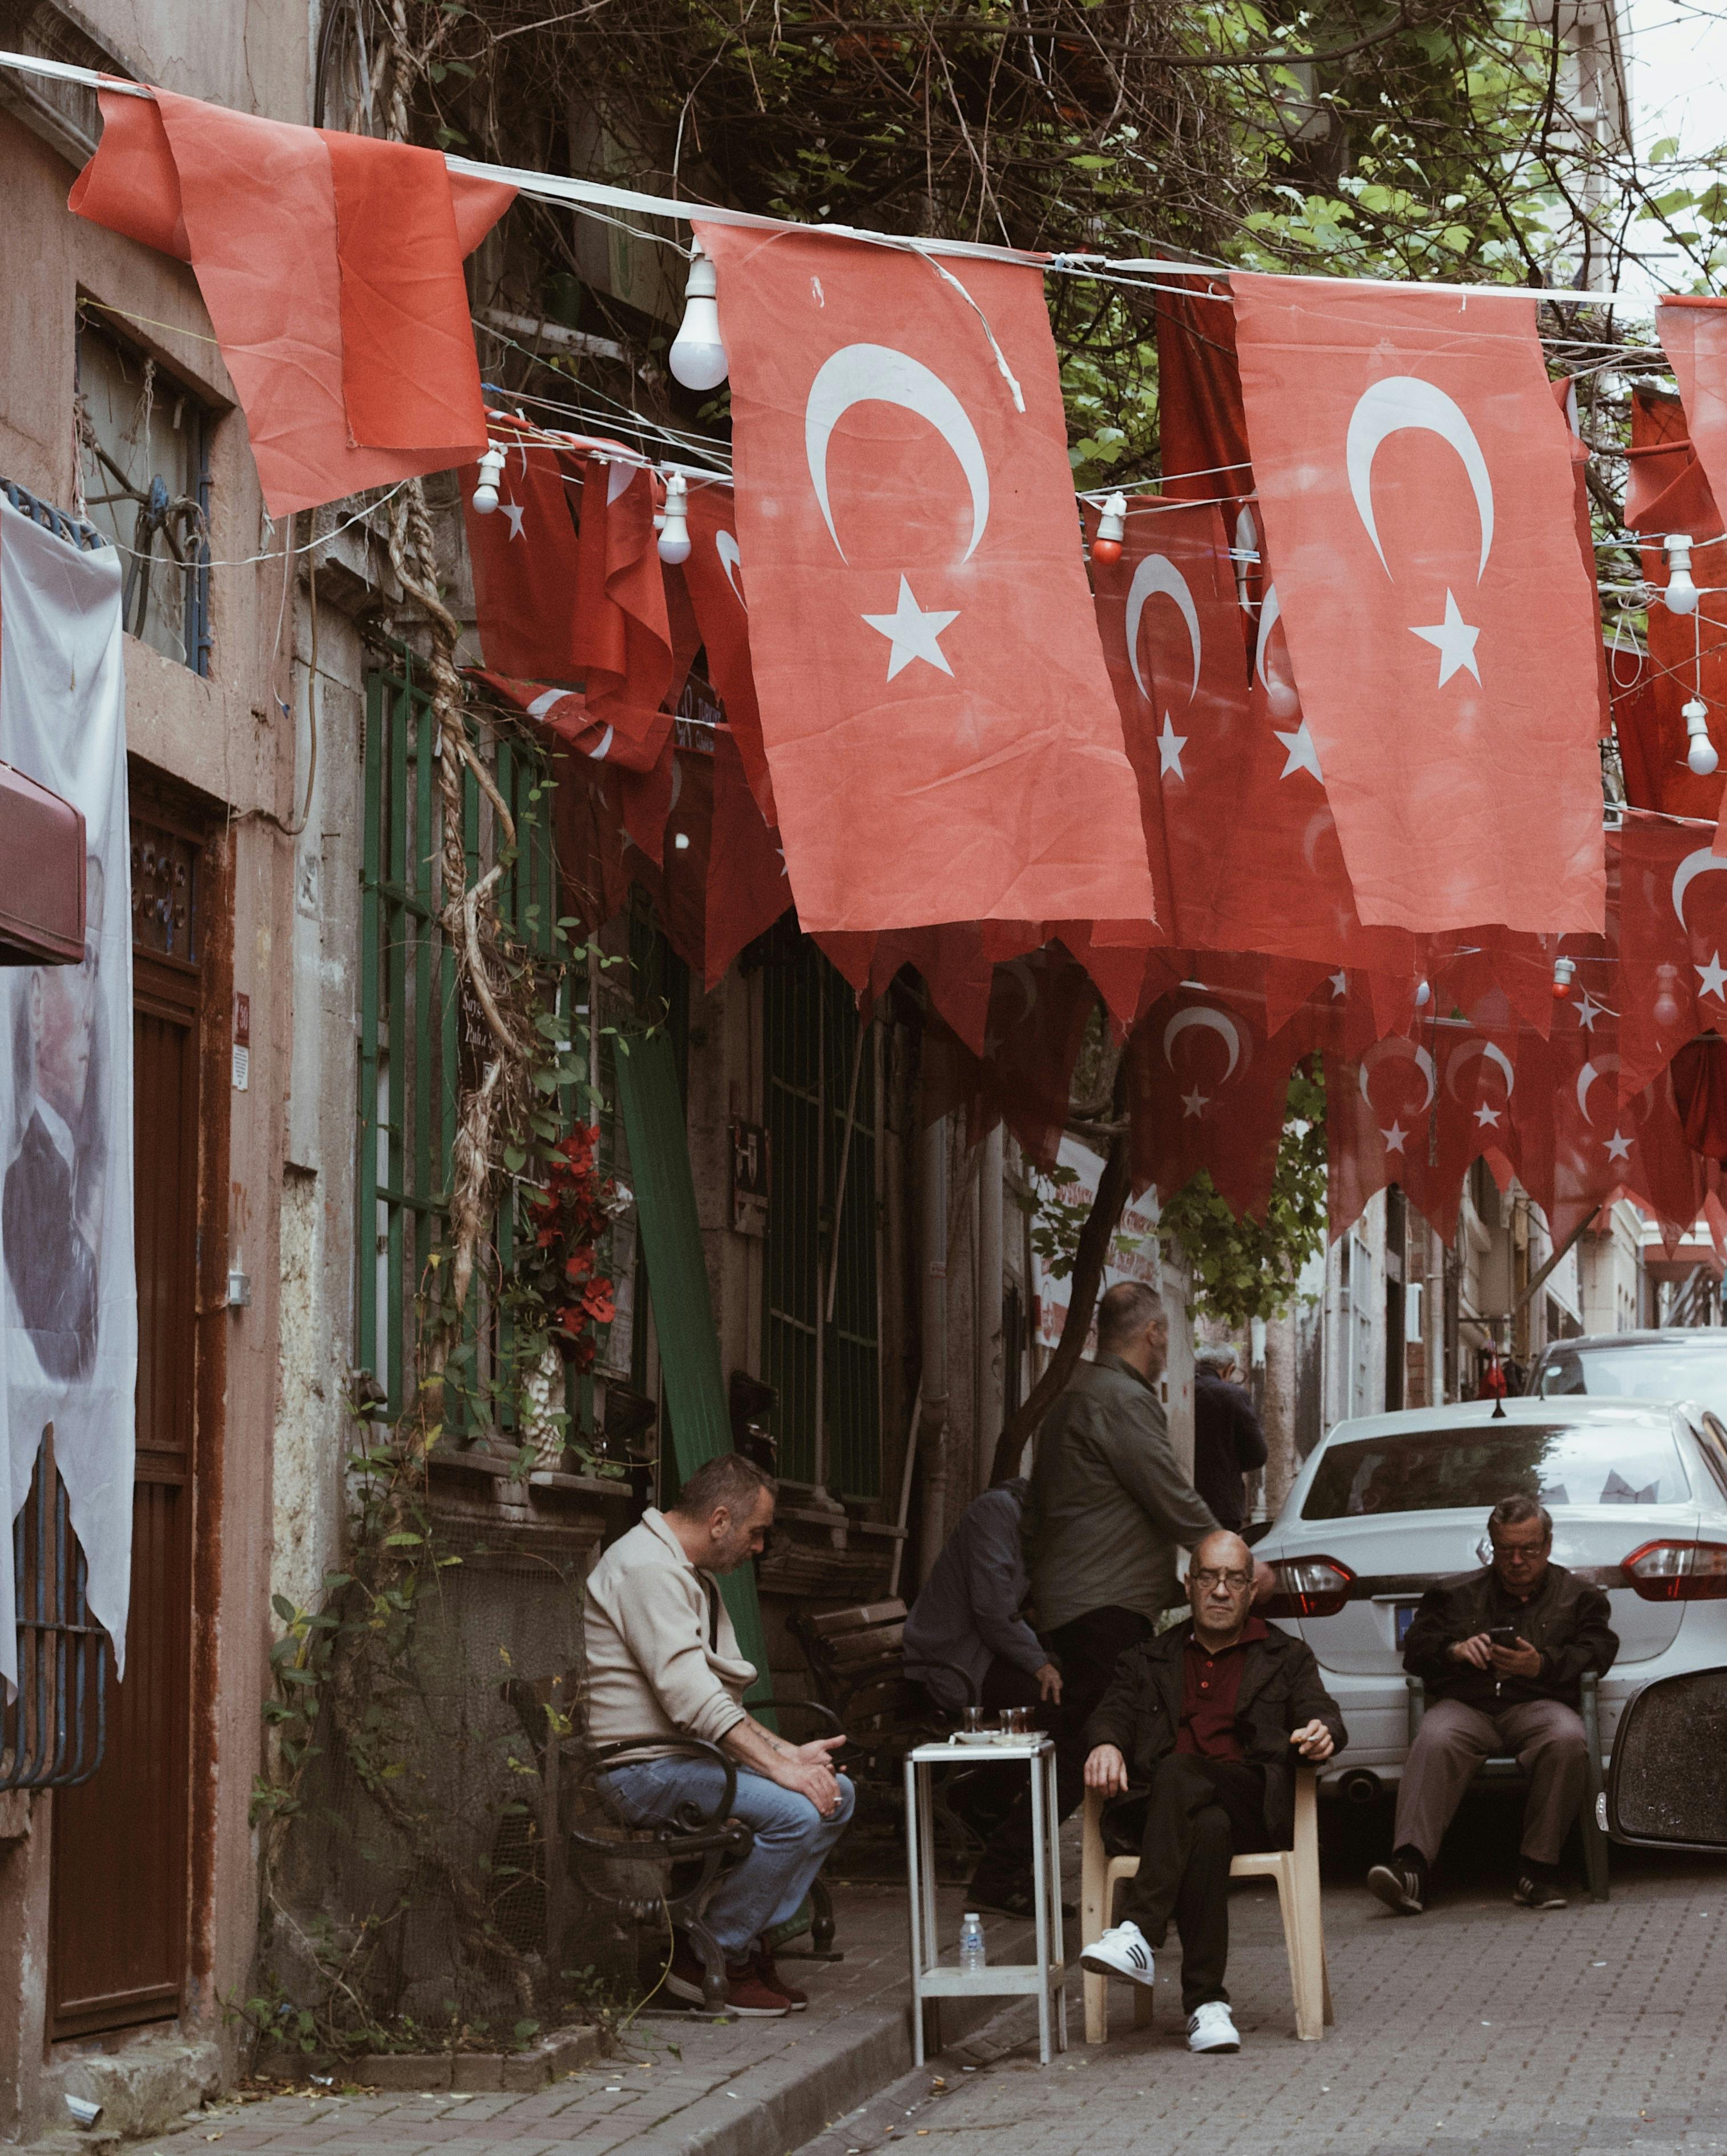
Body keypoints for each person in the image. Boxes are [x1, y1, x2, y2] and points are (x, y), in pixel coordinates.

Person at [583, 1453, 854, 2017]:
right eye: (756, 1533)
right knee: (797, 1811)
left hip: (680, 1758)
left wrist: (787, 1753)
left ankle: (738, 1937)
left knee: (836, 1796)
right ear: (720, 1520)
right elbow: (690, 1701)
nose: (758, 1548)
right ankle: (712, 1952)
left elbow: (718, 1702)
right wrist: (778, 1769)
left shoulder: (683, 1571)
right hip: (639, 1771)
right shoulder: (647, 1569)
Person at [1078, 1529, 1345, 2054]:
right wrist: (1106, 1744)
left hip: (1251, 1799)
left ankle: (1138, 1930)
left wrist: (1321, 1731)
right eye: (1209, 1577)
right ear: (1189, 1586)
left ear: (1250, 1592)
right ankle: (1207, 2007)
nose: (1221, 1590)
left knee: (1183, 1772)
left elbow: (1323, 1712)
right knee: (1205, 1824)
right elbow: (1109, 1713)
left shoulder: (1285, 1656)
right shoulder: (1147, 1659)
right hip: (1167, 1815)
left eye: (1234, 1579)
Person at [1367, 1495, 1619, 1917]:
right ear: (1492, 1546)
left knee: (1567, 1738)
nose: (1517, 1560)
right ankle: (1410, 1869)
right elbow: (1417, 1651)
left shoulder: (1580, 1597)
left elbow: (1598, 1651)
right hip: (1469, 1705)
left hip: (1537, 1703)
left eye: (1529, 1550)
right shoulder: (1453, 1594)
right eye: (1506, 1550)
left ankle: (1537, 1869)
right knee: (1436, 1736)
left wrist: (1541, 1664)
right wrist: (1454, 1650)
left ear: (1549, 1545)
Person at [1022, 1281, 1221, 1751]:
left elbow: (1032, 1511)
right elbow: (1169, 1494)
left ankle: (1002, 1819)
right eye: (1168, 1338)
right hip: (1103, 1606)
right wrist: (1229, 1559)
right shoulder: (1122, 1399)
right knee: (1099, 1744)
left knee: (1086, 1739)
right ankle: (1006, 1828)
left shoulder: (1076, 1394)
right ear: (1152, 1332)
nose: (1167, 1350)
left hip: (1074, 1602)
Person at [905, 1476, 1074, 1917]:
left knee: (1065, 1699)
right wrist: (1040, 1662)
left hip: (979, 1655)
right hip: (955, 1665)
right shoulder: (995, 1512)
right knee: (1053, 1709)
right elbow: (993, 1610)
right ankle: (989, 1810)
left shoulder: (1027, 1521)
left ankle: (988, 1810)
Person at [1193, 1344, 1268, 1532]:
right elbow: (1258, 1454)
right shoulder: (1234, 1395)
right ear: (1230, 1369)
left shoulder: (1183, 1390)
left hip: (1184, 1500)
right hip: (1223, 1503)